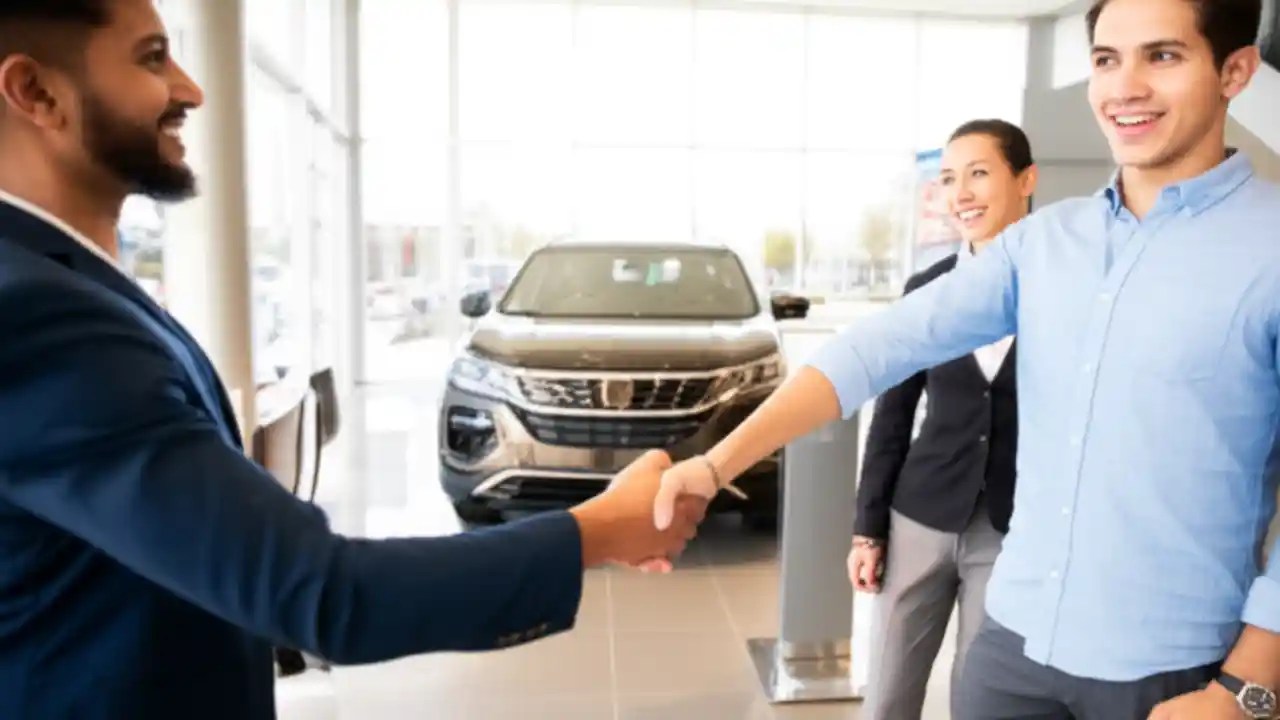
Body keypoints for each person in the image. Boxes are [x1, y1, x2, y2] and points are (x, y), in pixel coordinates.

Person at [0, 3, 704, 719]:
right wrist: (598, 529)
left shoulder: (62, 284)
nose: (191, 88)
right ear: (36, 93)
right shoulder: (37, 317)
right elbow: (324, 592)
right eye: (152, 57)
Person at [646, 0, 1280, 717]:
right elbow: (876, 348)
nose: (1124, 87)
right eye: (1107, 59)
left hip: (1174, 671)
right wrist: (713, 465)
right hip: (1010, 653)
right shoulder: (1043, 244)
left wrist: (1244, 688)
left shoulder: (1270, 247)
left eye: (1162, 56)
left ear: (1235, 71)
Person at [850, 119, 1036, 720]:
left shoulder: (1062, 288)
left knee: (981, 697)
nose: (962, 194)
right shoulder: (926, 289)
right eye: (950, 179)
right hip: (919, 515)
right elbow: (892, 414)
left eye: (979, 173)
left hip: (1012, 526)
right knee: (888, 692)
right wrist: (868, 528)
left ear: (1026, 180)